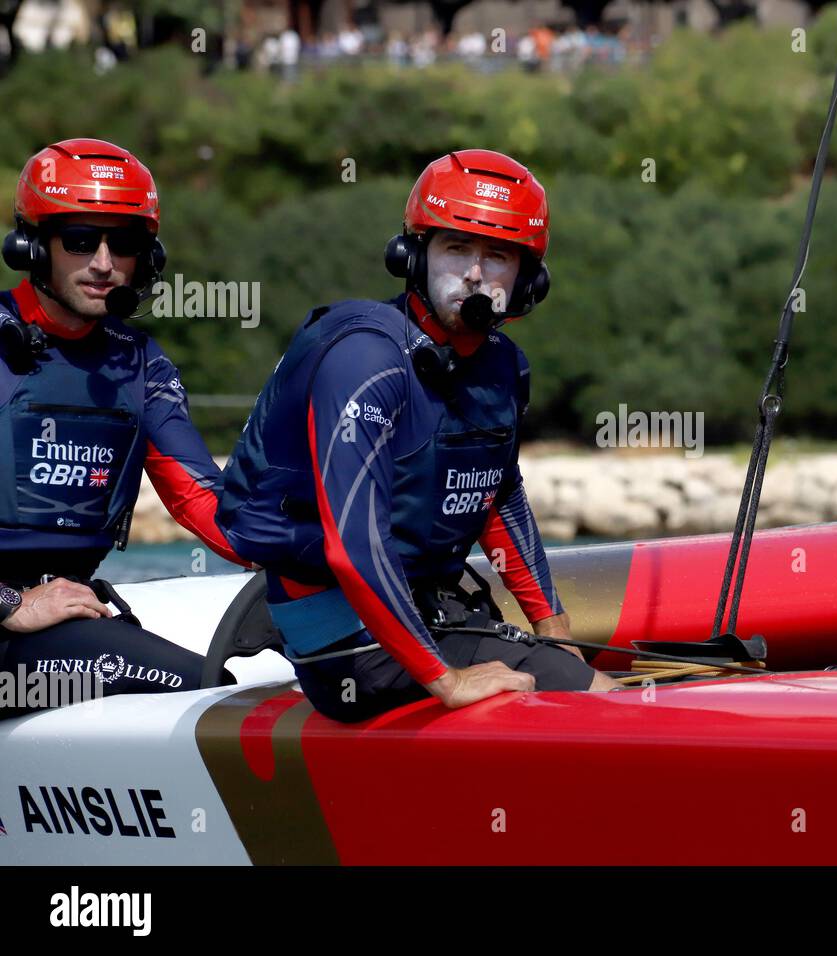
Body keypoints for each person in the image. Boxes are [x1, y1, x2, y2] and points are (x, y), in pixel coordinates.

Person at [217, 149, 620, 722]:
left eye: (498, 255)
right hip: (350, 650)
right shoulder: (366, 360)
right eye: (457, 249)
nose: (476, 273)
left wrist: (555, 635)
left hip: (426, 617)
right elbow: (354, 546)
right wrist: (447, 680)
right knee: (601, 702)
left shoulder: (503, 366)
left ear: (529, 279)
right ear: (413, 255)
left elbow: (496, 497)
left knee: (577, 672)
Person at [0, 139, 246, 710]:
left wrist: (320, 551)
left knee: (223, 688)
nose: (105, 263)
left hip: (61, 627)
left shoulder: (139, 364)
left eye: (126, 243)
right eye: (81, 240)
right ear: (34, 245)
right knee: (206, 694)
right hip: (18, 622)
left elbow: (206, 504)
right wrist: (13, 603)